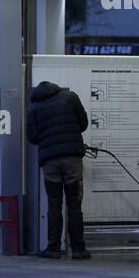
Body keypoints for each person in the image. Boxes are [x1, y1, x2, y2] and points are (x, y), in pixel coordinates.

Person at [26, 81, 90, 259]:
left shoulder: (34, 107)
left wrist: (48, 140)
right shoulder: (70, 97)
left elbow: (32, 137)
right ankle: (78, 249)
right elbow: (83, 124)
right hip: (72, 158)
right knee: (74, 204)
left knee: (54, 204)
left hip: (50, 161)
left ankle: (53, 248)